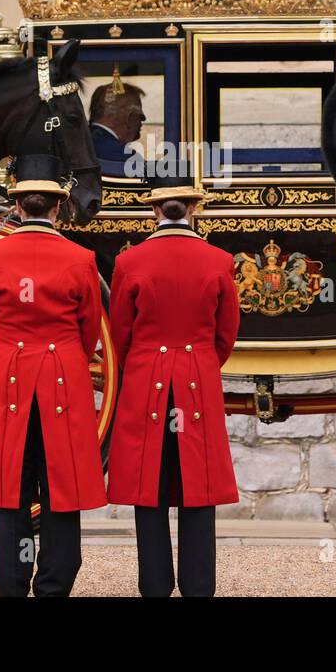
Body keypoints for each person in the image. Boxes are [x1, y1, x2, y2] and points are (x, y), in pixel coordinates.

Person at [0, 154, 108, 596]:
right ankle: (55, 581)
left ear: (17, 206)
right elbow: (90, 332)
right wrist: (64, 355)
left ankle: (12, 580)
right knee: (61, 483)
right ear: (57, 207)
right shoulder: (81, 257)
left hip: (9, 370)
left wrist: (11, 350)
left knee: (12, 483)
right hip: (63, 372)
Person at [105, 174, 240, 596]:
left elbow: (120, 334)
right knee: (197, 484)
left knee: (150, 484)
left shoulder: (130, 262)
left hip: (147, 374)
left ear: (154, 209)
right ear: (194, 208)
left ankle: (155, 584)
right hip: (198, 373)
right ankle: (199, 585)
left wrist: (142, 363)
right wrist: (200, 361)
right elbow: (226, 333)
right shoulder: (218, 260)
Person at [88, 77, 145, 172]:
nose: (142, 122)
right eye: (140, 116)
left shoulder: (78, 143)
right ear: (128, 116)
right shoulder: (126, 157)